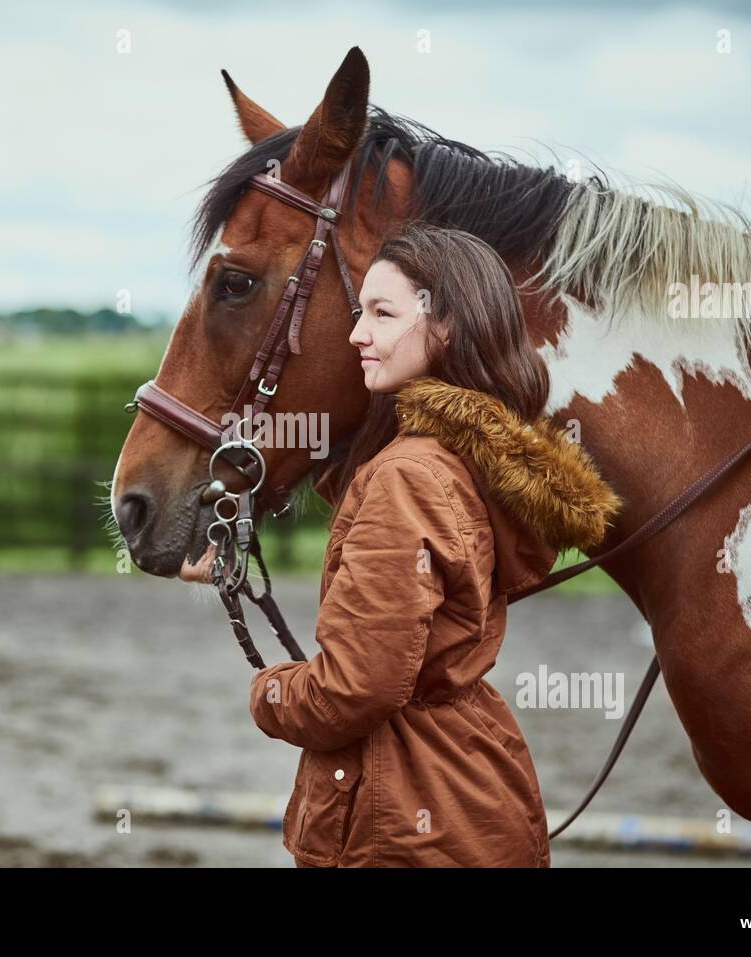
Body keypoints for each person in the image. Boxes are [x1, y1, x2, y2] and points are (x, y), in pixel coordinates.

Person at [249, 221, 624, 867]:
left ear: (447, 327)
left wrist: (269, 692)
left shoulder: (407, 476)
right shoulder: (464, 458)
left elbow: (354, 689)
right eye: (361, 310)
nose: (355, 333)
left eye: (382, 313)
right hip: (469, 788)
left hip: (401, 820)